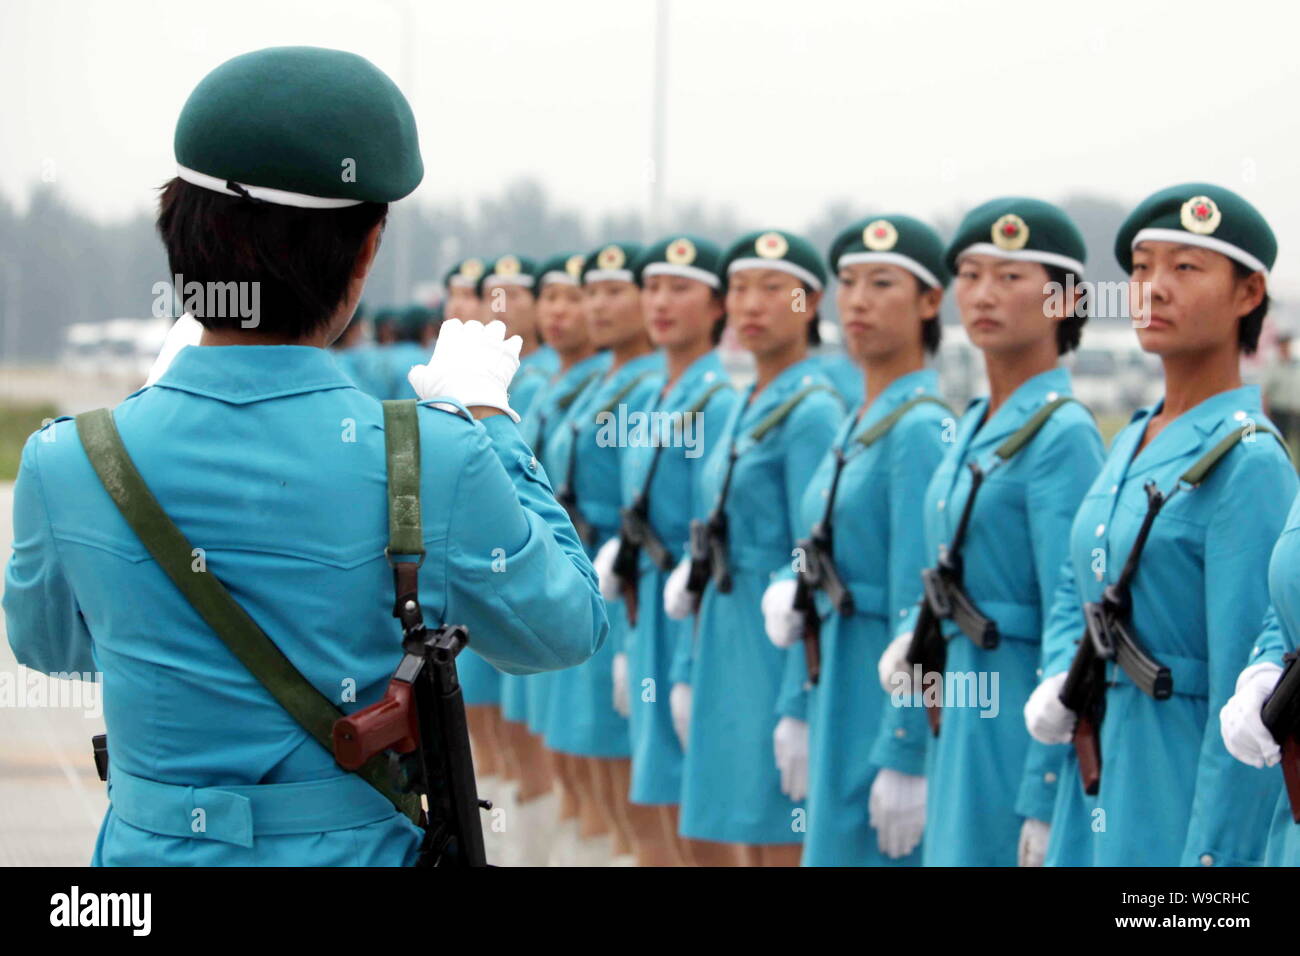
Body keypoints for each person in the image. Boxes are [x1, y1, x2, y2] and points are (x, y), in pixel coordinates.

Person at [1, 46, 607, 867]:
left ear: (178, 238)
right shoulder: (428, 455)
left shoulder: (69, 459)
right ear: (363, 256)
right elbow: (564, 629)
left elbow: (55, 648)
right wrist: (491, 420)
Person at [1027, 183, 1296, 866]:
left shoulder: (1247, 460)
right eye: (1141, 269)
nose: (1153, 288)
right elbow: (1075, 579)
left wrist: (1213, 863)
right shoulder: (1133, 440)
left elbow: (1246, 687)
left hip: (1174, 794)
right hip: (1096, 773)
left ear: (1247, 293)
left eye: (1185, 268)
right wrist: (1061, 669)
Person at [877, 197, 1105, 867]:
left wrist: (1041, 788)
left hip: (1017, 718)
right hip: (959, 712)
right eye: (972, 275)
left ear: (1063, 300)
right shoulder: (974, 423)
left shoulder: (1063, 435)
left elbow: (1073, 617)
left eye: (1011, 277)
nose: (984, 294)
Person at [763, 215, 951, 866]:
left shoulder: (920, 429)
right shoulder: (864, 420)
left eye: (882, 282)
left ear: (930, 302)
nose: (858, 300)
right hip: (836, 680)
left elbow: (919, 607)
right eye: (847, 282)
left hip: (878, 691)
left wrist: (904, 745)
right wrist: (797, 698)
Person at [664, 229, 844, 866]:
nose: (752, 304)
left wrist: (797, 699)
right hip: (727, 630)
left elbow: (812, 559)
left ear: (811, 302)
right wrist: (687, 666)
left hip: (776, 644)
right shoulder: (750, 399)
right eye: (740, 288)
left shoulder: (813, 409)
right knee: (743, 822)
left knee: (777, 827)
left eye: (775, 289)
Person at [595, 235, 737, 865]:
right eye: (653, 286)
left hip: (692, 618)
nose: (662, 302)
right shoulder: (656, 396)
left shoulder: (721, 402)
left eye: (681, 288)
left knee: (700, 810)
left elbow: (708, 545)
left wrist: (682, 665)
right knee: (657, 791)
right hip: (645, 610)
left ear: (716, 306)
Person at [543, 242, 663, 864]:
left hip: (623, 584)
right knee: (585, 749)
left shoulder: (646, 389)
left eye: (616, 291)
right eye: (592, 292)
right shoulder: (605, 383)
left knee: (621, 758)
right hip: (583, 568)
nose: (598, 306)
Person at [519, 251, 610, 863]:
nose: (560, 312)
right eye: (548, 297)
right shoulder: (558, 385)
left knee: (613, 765)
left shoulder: (614, 388)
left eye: (573, 298)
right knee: (566, 748)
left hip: (609, 581)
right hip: (563, 565)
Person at [477, 254, 557, 418]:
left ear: (537, 304)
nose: (499, 306)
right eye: (492, 296)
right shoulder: (471, 369)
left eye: (512, 296)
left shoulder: (555, 370)